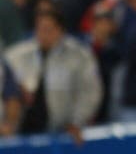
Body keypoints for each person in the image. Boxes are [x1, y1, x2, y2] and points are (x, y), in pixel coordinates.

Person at [4, 9, 102, 144]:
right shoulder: (17, 55)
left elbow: (90, 93)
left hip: (61, 130)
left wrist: (77, 121)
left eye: (48, 29)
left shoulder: (79, 56)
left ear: (60, 30)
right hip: (22, 129)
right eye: (40, 29)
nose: (43, 34)